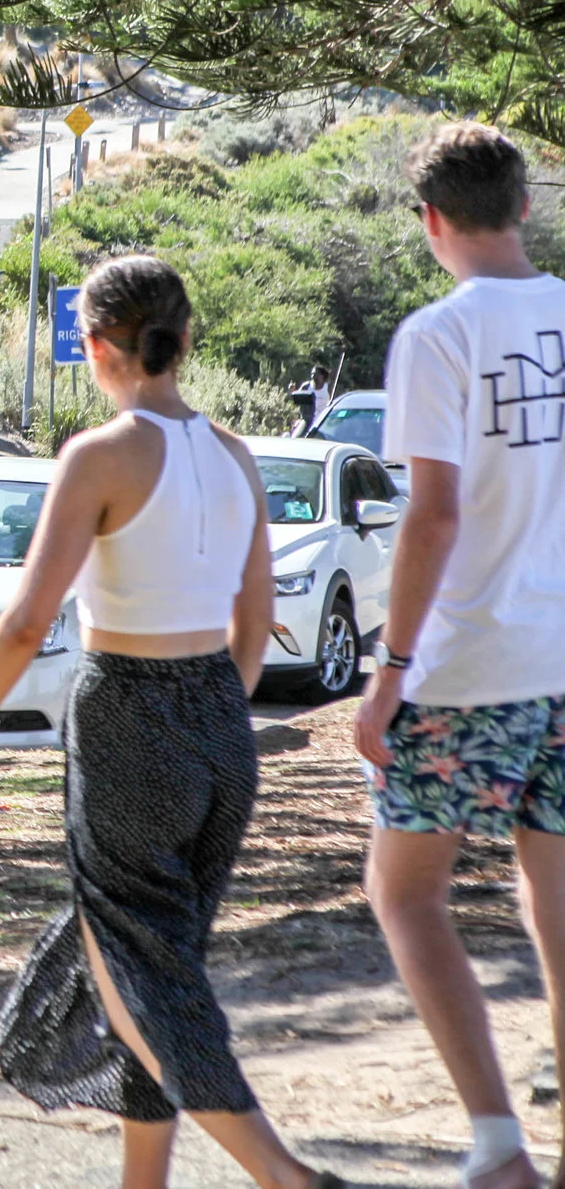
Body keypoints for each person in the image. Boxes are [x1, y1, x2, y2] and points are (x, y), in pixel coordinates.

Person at [0, 257, 338, 1189]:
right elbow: (251, 623)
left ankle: (285, 1174)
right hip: (217, 723)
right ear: (184, 340)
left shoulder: (101, 455)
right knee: (160, 969)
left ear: (95, 345)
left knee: (140, 979)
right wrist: (209, 718)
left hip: (126, 710)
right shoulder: (236, 454)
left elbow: (30, 618)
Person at [353, 123, 565, 1189]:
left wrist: (387, 670)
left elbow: (429, 517)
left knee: (405, 892)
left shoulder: (434, 335)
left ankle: (496, 1145)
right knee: (556, 901)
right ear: (523, 205)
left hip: (471, 660)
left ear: (430, 219)